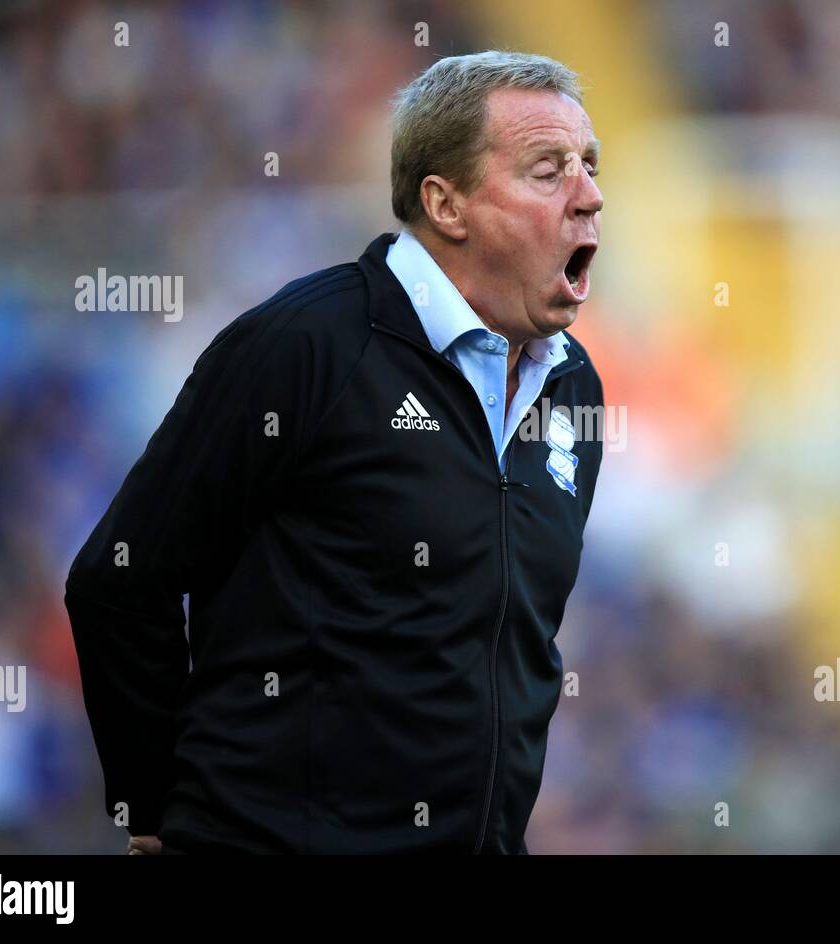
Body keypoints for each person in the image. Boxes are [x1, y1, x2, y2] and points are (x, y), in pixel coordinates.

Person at [65, 50, 606, 854]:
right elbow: (117, 581)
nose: (589, 198)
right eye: (547, 170)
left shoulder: (573, 391)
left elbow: (511, 648)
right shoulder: (306, 347)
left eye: (590, 167)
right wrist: (154, 815)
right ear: (445, 204)